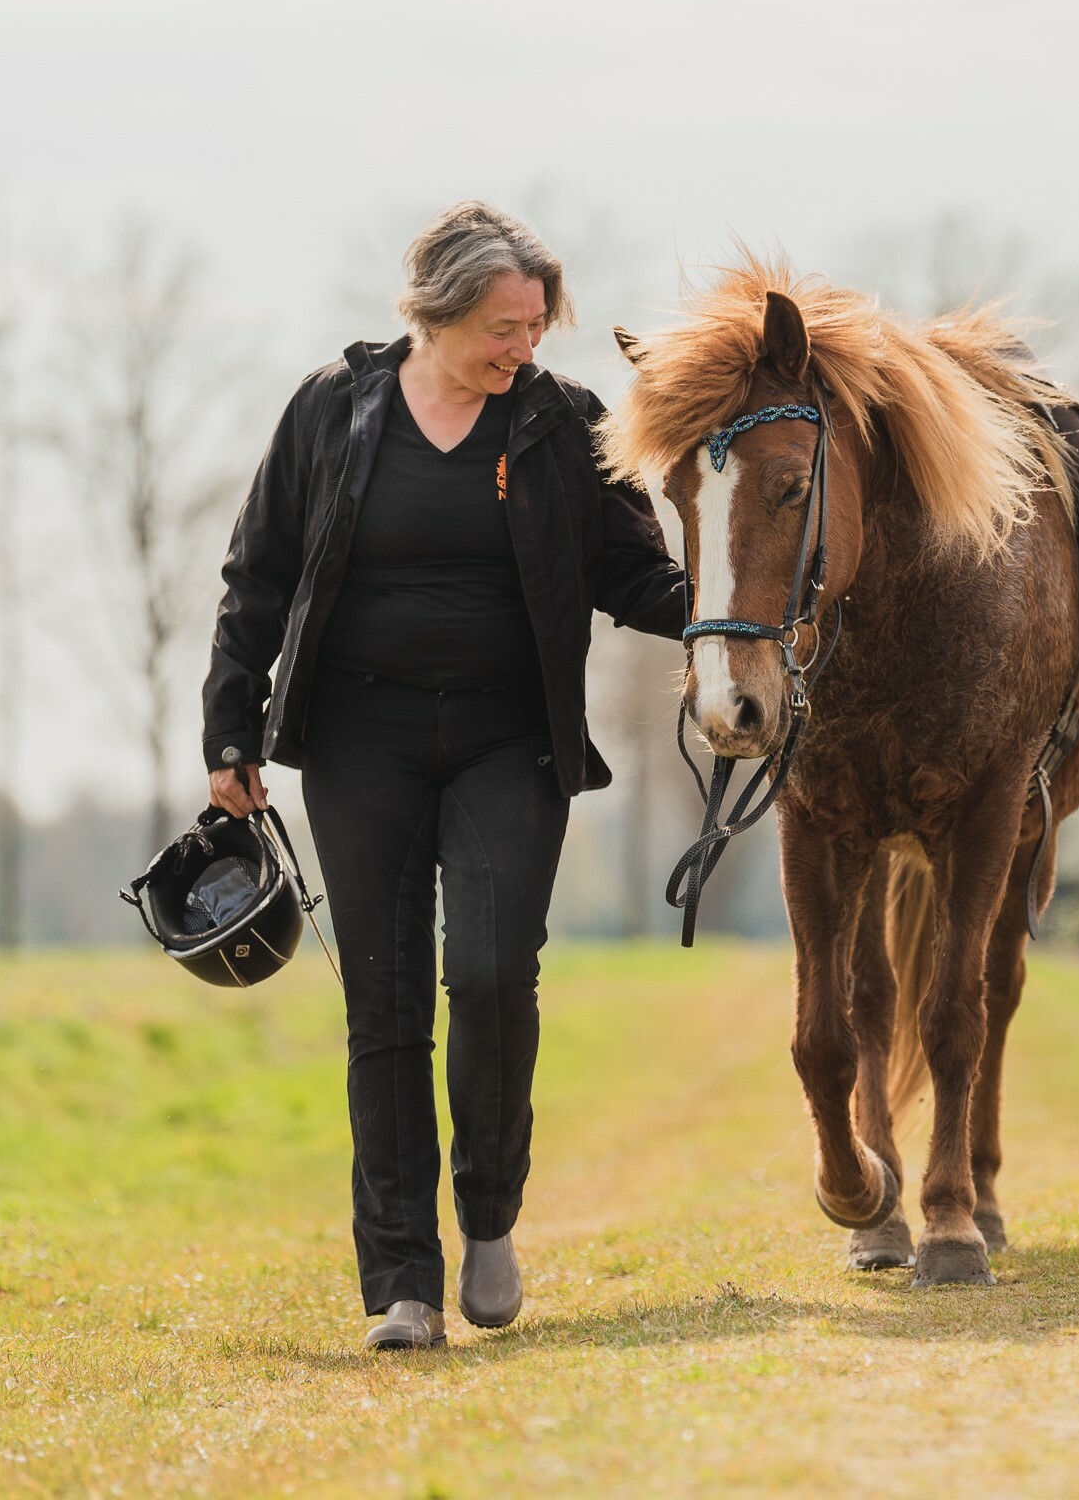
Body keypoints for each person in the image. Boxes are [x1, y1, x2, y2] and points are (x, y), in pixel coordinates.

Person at [201, 202, 687, 1350]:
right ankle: (402, 1287)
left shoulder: (564, 424)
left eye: (533, 327)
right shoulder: (334, 408)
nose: (522, 348)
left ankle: (488, 1215)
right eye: (502, 327)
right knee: (383, 1010)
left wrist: (742, 620)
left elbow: (635, 573)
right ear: (435, 311)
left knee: (488, 974)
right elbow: (255, 573)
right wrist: (232, 734)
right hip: (359, 742)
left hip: (506, 742)